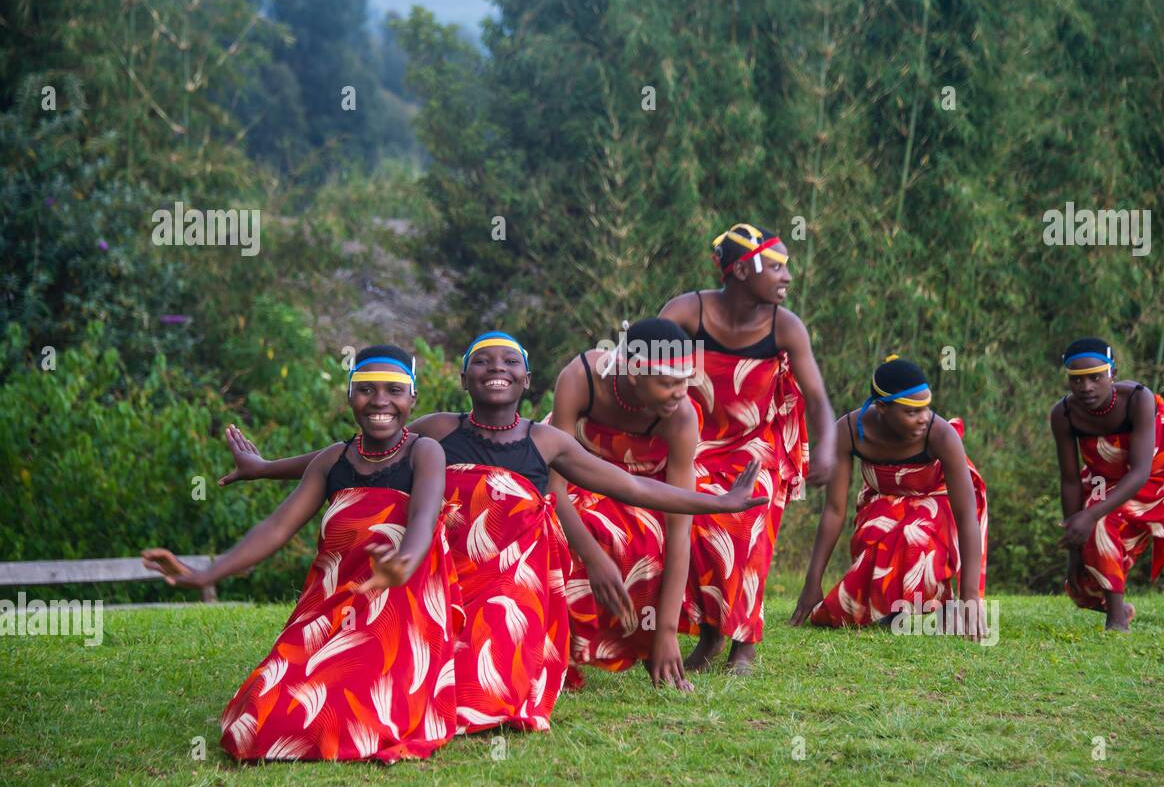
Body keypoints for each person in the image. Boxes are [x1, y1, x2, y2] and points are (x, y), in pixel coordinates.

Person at [219, 330, 766, 731]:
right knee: (404, 658)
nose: (496, 368)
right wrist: (266, 468)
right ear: (463, 379)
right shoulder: (436, 432)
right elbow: (351, 456)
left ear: (526, 380)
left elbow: (636, 490)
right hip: (448, 573)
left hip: (515, 579)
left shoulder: (546, 442)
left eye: (509, 361)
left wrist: (719, 499)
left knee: (494, 681)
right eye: (483, 361)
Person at [144, 345, 461, 762]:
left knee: (354, 716)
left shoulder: (425, 452)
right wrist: (208, 573)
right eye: (366, 389)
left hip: (399, 610)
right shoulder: (334, 460)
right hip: (330, 608)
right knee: (258, 717)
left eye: (394, 390)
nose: (380, 400)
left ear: (412, 398)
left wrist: (403, 563)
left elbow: (423, 516)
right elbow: (277, 527)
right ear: (350, 396)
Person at [658, 223, 836, 673]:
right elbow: (643, 367)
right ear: (740, 270)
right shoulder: (686, 312)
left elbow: (816, 397)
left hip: (757, 446)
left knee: (748, 521)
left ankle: (745, 644)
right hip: (693, 444)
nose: (787, 277)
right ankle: (711, 633)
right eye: (775, 266)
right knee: (687, 518)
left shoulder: (786, 326)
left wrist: (827, 449)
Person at [545, 317, 701, 691]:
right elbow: (554, 486)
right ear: (633, 373)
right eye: (667, 382)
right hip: (572, 478)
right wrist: (593, 558)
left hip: (640, 488)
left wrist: (665, 633)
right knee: (556, 529)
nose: (680, 392)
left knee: (649, 540)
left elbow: (680, 522)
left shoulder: (681, 417)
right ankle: (556, 654)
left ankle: (644, 646)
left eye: (685, 380)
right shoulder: (581, 377)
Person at [789, 356, 987, 638]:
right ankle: (894, 610)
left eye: (926, 408)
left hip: (937, 501)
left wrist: (971, 596)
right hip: (882, 502)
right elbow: (834, 511)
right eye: (911, 412)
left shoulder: (940, 434)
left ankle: (936, 608)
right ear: (882, 407)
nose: (923, 418)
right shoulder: (849, 431)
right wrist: (812, 581)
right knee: (841, 608)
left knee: (914, 534)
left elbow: (966, 515)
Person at [1049, 338, 1164, 631]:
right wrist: (1074, 545)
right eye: (1077, 379)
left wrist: (1089, 516)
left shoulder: (1138, 399)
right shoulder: (1063, 414)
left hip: (1155, 479)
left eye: (1096, 377)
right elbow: (1069, 480)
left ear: (1112, 374)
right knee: (1080, 583)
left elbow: (1140, 472)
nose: (1086, 387)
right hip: (1103, 481)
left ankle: (1116, 621)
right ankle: (1120, 608)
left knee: (1101, 519)